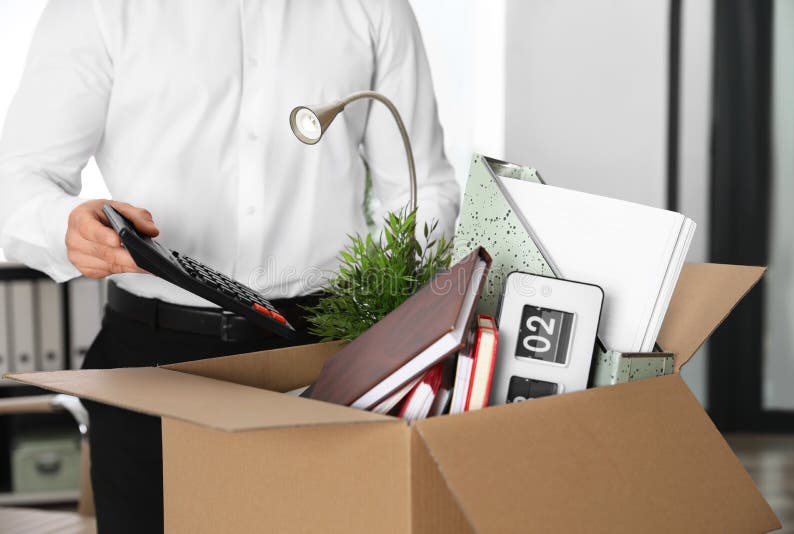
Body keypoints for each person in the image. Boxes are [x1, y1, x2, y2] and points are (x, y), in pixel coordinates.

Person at [0, 1, 459, 532]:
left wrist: (389, 312)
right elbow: (19, 180)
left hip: (323, 358)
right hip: (152, 365)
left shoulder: (371, 8)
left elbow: (425, 184)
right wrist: (66, 226)